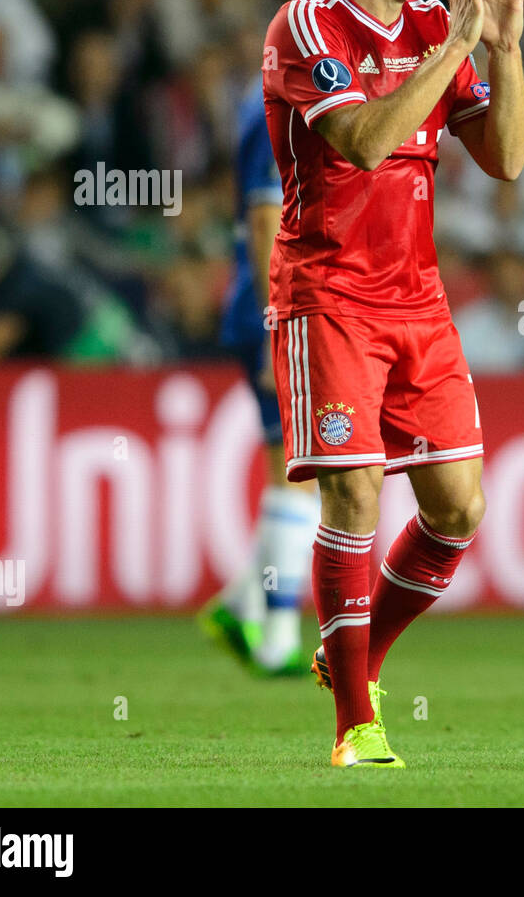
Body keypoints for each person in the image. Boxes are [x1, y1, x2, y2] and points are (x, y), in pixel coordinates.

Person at [261, 0, 524, 767]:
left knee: (459, 509)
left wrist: (503, 48)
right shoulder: (305, 24)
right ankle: (354, 725)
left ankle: (356, 659)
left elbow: (508, 163)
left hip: (418, 298)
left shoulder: (432, 25)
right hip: (328, 294)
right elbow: (366, 142)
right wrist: (455, 45)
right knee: (356, 492)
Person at [198, 84, 321, 676]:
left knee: (299, 476)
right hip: (276, 312)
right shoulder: (284, 97)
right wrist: (281, 322)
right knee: (299, 475)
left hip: (282, 310)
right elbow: (266, 212)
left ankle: (241, 604)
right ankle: (274, 636)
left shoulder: (279, 93)